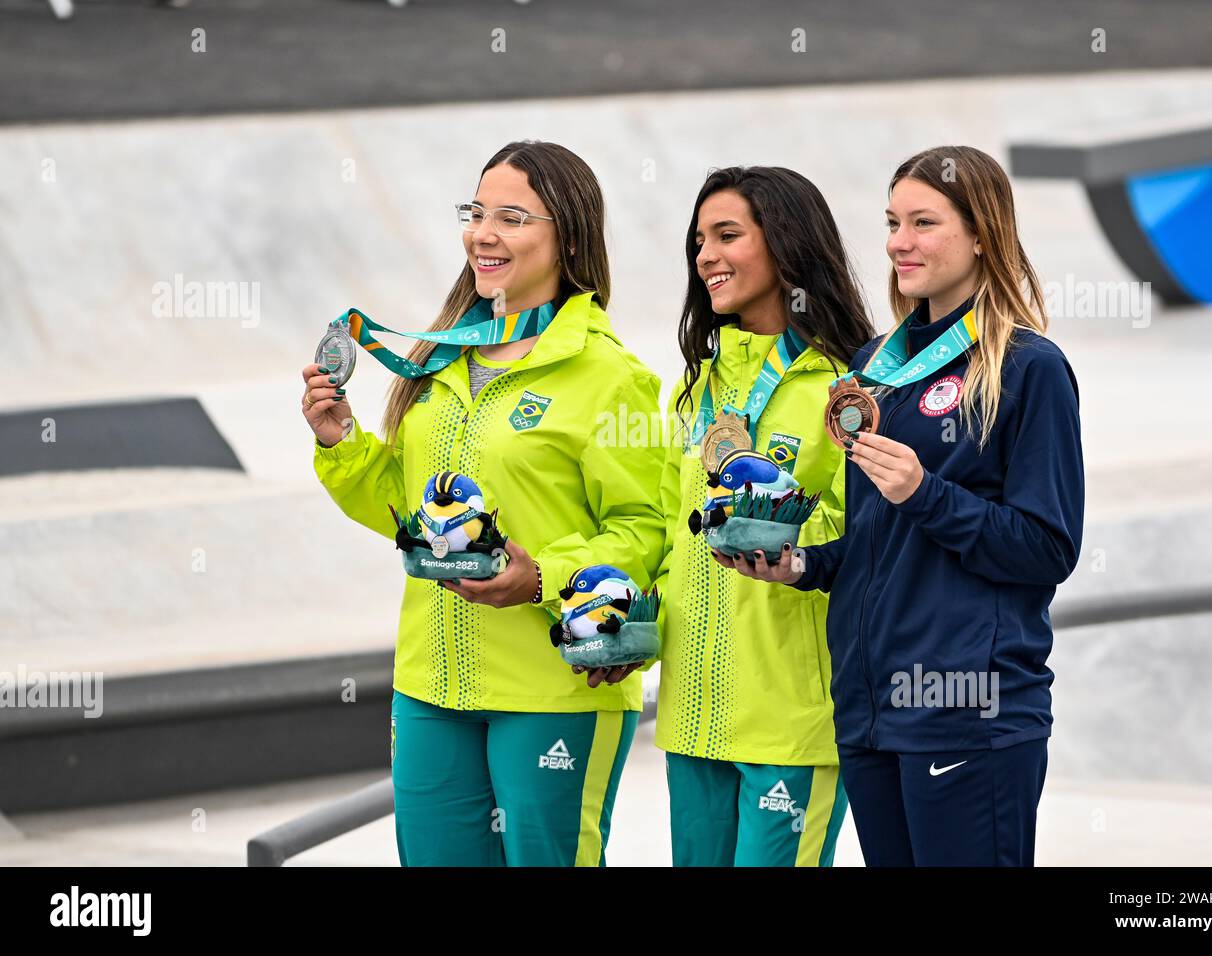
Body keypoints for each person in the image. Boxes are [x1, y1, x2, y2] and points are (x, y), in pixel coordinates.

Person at [302, 140, 664, 866]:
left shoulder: (609, 376)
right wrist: (343, 444)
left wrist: (544, 578)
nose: (483, 233)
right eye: (476, 212)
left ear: (567, 235)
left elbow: (649, 531)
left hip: (554, 686)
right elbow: (415, 523)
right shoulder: (443, 360)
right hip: (433, 685)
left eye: (512, 217)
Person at [731, 146, 1084, 866]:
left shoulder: (1028, 368)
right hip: (870, 713)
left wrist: (927, 493)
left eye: (924, 222)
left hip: (968, 713)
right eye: (893, 222)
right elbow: (878, 544)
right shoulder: (873, 367)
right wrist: (802, 564)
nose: (899, 242)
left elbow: (1049, 548)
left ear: (983, 233)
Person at [655, 166, 875, 866]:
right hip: (691, 717)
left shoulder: (845, 388)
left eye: (727, 236)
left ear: (786, 245)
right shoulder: (697, 387)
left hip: (791, 719)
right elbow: (668, 532)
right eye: (699, 241)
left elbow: (871, 538)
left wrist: (778, 525)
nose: (706, 257)